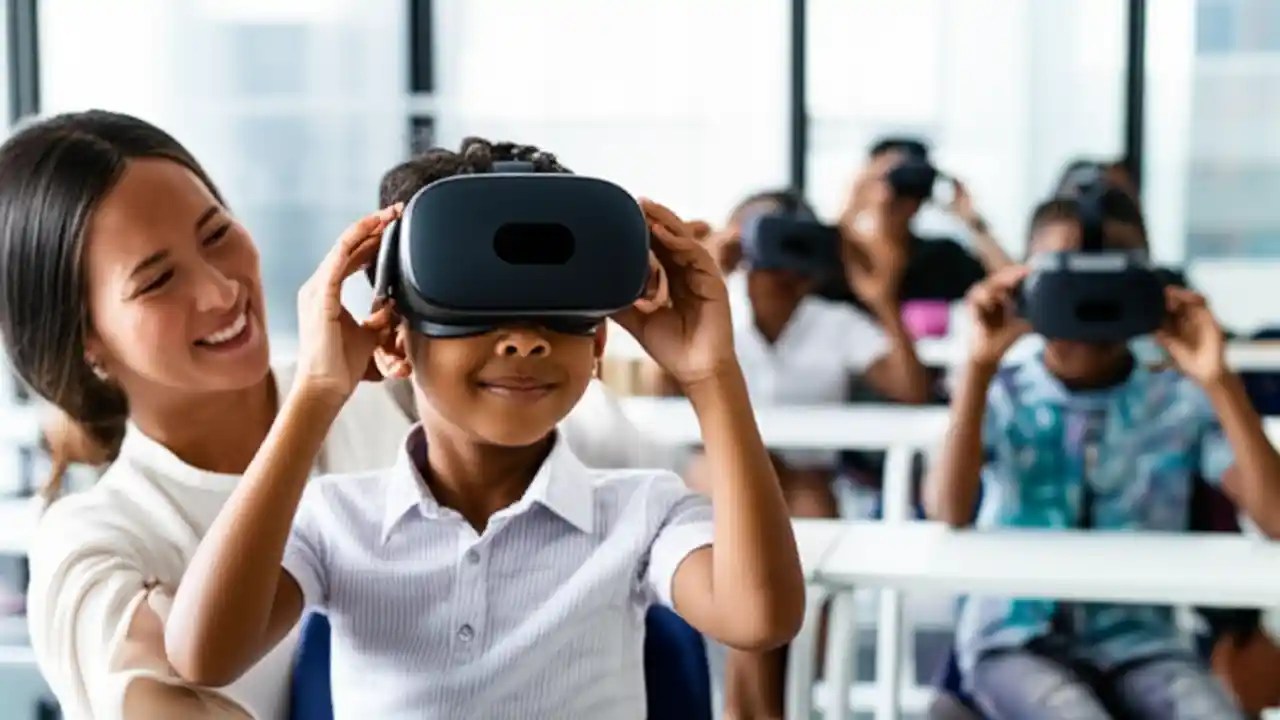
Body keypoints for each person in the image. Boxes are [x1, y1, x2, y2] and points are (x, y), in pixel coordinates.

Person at [0, 112, 675, 720]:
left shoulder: (392, 385)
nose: (220, 288)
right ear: (84, 338)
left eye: (216, 234)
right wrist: (316, 399)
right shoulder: (93, 544)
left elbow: (651, 474)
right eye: (156, 280)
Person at [161, 140, 805, 718]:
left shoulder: (643, 513)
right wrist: (315, 391)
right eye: (474, 311)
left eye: (557, 313)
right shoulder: (335, 522)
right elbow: (202, 657)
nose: (524, 340)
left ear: (599, 338)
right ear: (394, 343)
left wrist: (711, 375)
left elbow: (759, 617)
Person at [924, 197, 1280, 719]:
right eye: (1065, 280)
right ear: (1025, 283)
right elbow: (948, 509)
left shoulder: (1176, 399)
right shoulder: (1005, 392)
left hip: (1143, 640)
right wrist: (977, 367)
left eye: (1108, 279)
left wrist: (1218, 379)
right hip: (1015, 637)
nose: (1086, 302)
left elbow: (1275, 516)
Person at [816, 137, 1010, 313]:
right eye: (883, 179)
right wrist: (851, 206)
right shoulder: (844, 255)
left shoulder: (941, 258)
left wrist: (972, 220)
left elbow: (1012, 284)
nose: (892, 195)